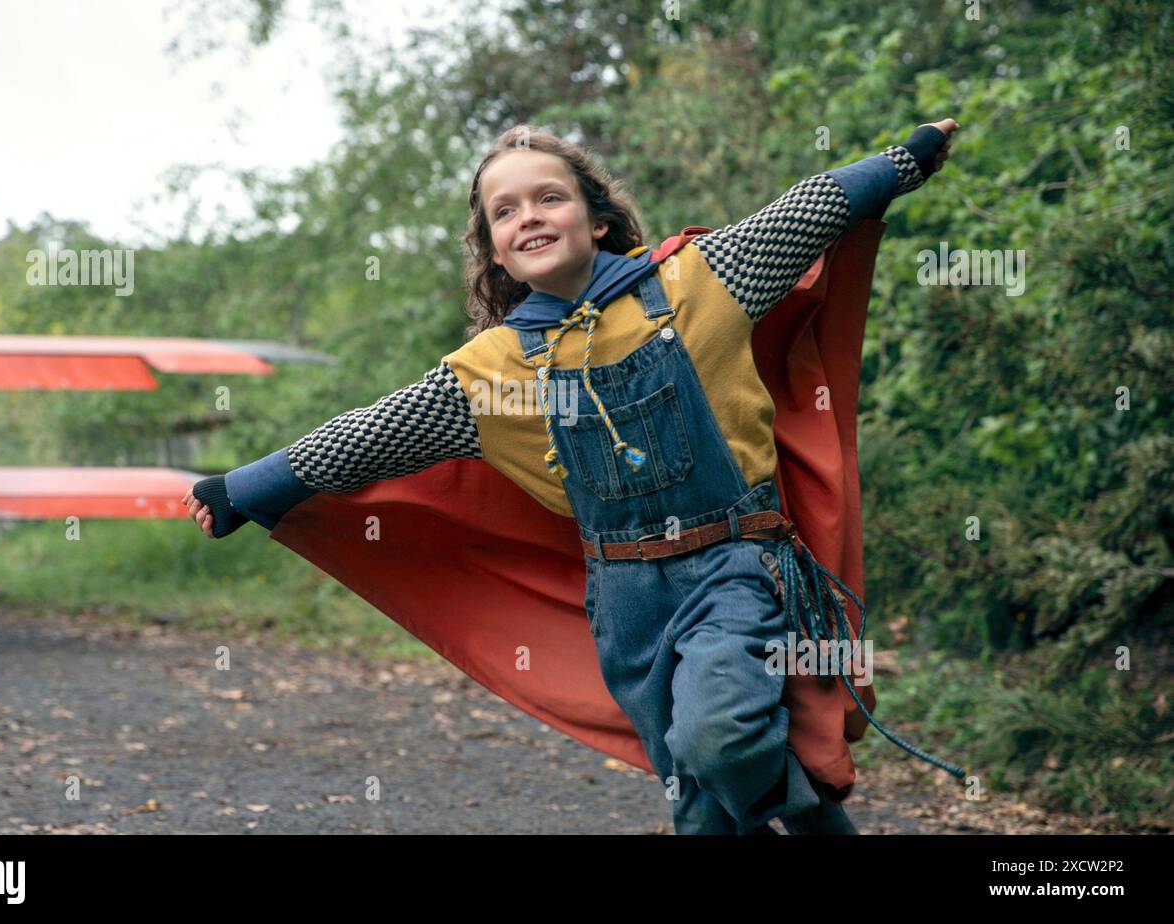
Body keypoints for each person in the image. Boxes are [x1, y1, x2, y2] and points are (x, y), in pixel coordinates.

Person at [182, 118, 959, 833]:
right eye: (505, 211)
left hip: (737, 568)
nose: (530, 216)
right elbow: (368, 436)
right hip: (626, 603)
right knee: (697, 807)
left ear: (599, 219)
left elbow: (805, 212)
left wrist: (905, 159)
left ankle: (820, 825)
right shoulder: (489, 372)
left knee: (716, 741)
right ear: (493, 250)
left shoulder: (699, 283)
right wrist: (242, 490)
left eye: (549, 197)